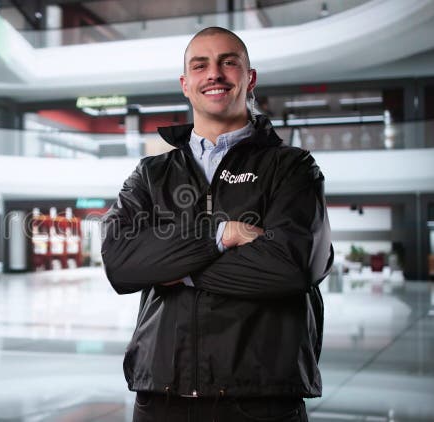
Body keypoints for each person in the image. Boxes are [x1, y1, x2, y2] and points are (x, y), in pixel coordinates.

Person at [102, 27, 332, 421]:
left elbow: (293, 267)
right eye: (201, 65)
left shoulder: (291, 167)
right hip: (161, 394)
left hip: (261, 398)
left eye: (229, 62)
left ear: (249, 78)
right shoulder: (151, 174)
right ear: (186, 84)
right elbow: (121, 263)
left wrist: (174, 268)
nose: (215, 74)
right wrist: (221, 235)